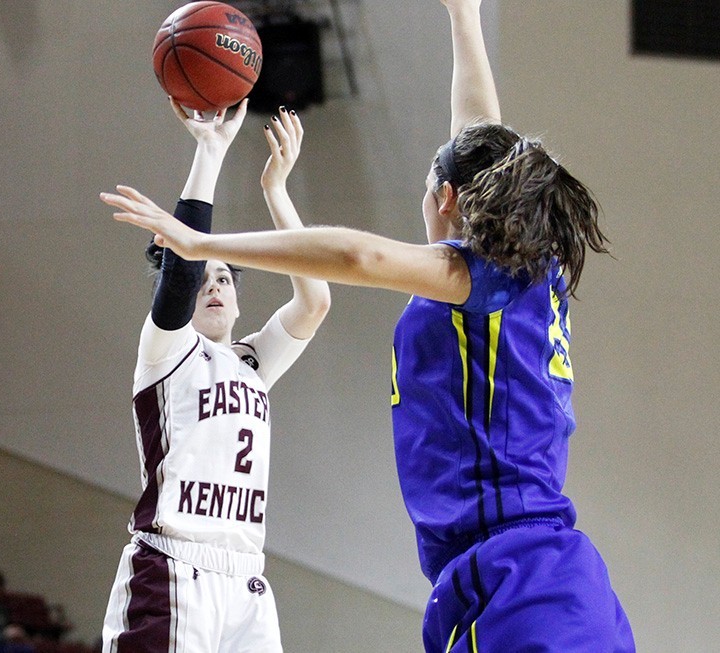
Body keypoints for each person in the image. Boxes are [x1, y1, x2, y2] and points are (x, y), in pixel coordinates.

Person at [100, 1, 636, 651]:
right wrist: (463, 18)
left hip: (512, 578)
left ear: (446, 198)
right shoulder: (525, 266)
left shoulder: (478, 274)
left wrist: (199, 240)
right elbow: (481, 138)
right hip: (548, 572)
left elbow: (360, 258)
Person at [100, 96, 330, 653]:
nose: (214, 286)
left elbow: (315, 300)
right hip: (173, 569)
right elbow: (181, 271)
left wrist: (276, 192)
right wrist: (211, 149)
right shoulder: (167, 349)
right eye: (204, 279)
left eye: (224, 278)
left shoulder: (252, 363)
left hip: (246, 580)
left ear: (238, 299)